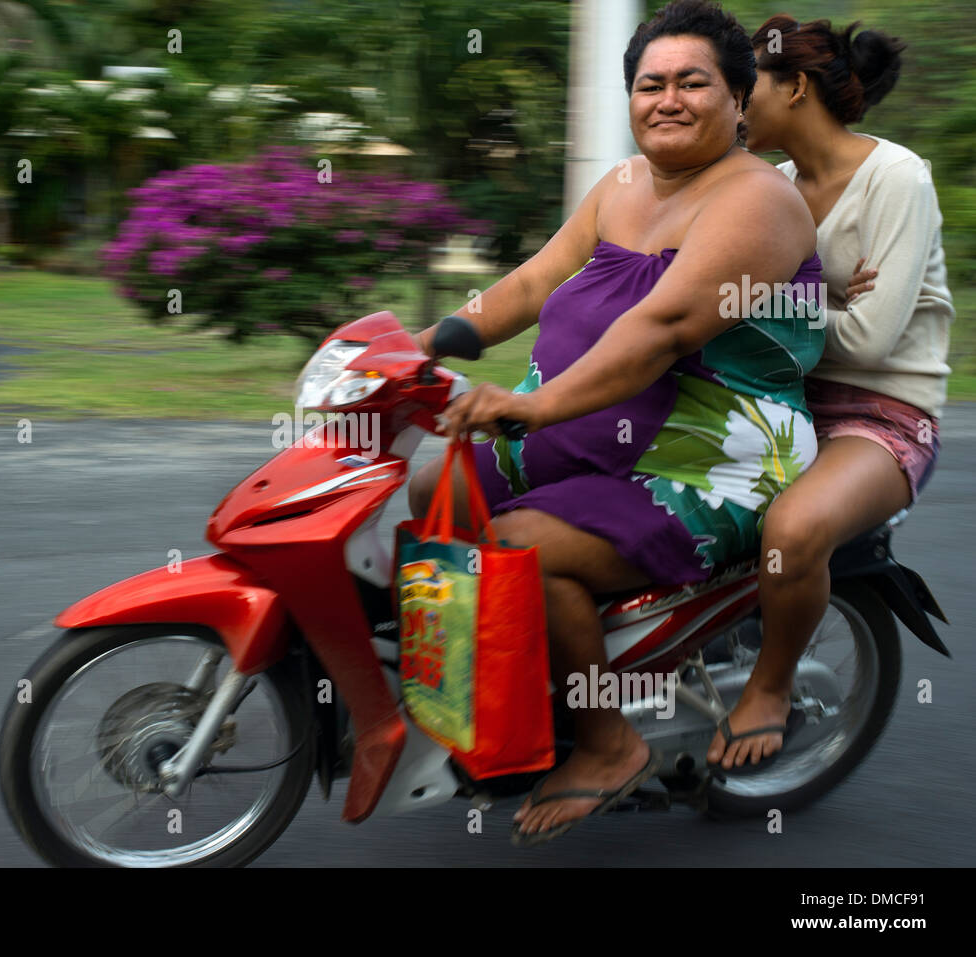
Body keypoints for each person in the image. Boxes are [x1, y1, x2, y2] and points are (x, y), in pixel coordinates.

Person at [409, 0, 824, 844]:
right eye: (649, 84)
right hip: (587, 425)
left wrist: (529, 404)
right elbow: (527, 286)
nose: (666, 99)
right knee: (428, 484)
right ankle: (501, 692)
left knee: (523, 541)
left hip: (710, 453)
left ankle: (607, 739)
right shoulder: (625, 184)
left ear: (741, 99)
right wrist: (416, 347)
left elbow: (660, 330)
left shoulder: (758, 203)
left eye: (692, 82)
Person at [705, 15, 954, 772]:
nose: (735, 109)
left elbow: (874, 343)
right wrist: (819, 306)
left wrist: (773, 308)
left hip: (882, 416)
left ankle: (772, 688)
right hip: (781, 397)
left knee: (792, 527)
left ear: (796, 87)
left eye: (747, 90)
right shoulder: (772, 187)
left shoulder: (897, 178)